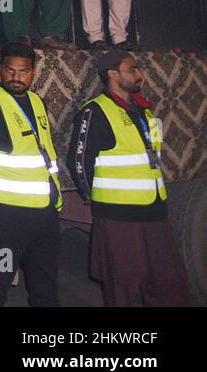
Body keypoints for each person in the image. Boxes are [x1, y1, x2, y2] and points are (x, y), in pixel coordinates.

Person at [67, 49, 191, 306]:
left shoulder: (142, 110)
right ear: (113, 74)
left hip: (154, 211)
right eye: (132, 69)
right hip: (118, 215)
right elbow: (78, 162)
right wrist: (94, 198)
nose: (140, 74)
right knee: (122, 286)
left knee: (167, 281)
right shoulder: (96, 111)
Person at [0, 43, 62, 307]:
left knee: (45, 282)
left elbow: (45, 154)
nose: (16, 77)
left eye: (23, 71)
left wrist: (54, 196)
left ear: (33, 72)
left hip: (43, 214)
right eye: (10, 70)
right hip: (8, 217)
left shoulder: (37, 102)